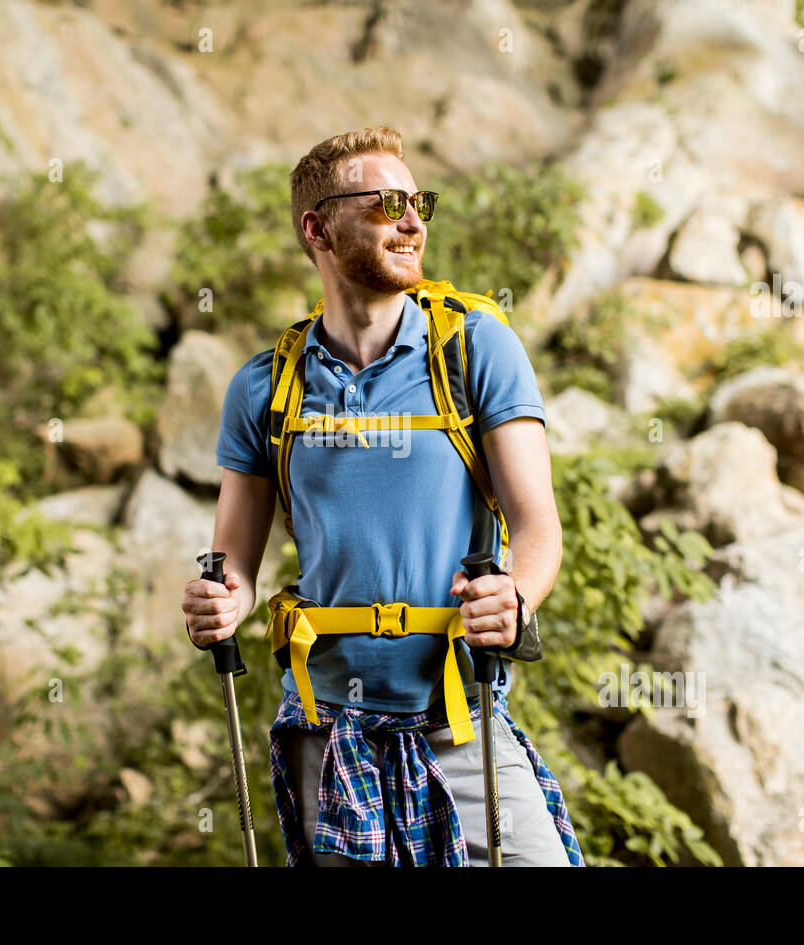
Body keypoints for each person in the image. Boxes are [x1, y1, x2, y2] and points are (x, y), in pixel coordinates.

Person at [181, 125, 584, 866]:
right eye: (388, 202)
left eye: (419, 201)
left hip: (458, 724)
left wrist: (516, 596)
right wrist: (223, 601)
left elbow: (537, 525)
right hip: (326, 731)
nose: (413, 221)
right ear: (318, 229)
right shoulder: (266, 387)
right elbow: (234, 562)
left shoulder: (473, 347)